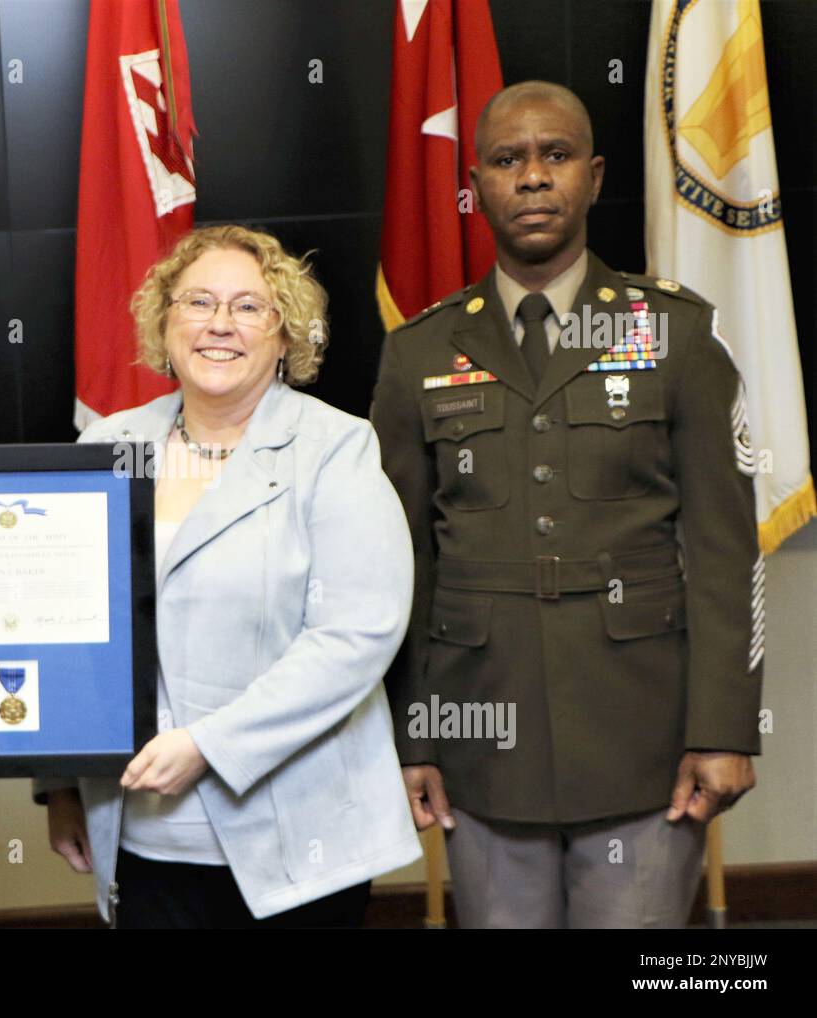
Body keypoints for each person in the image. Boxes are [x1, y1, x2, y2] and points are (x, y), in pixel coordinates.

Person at [370, 81, 761, 928]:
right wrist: (414, 739)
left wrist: (725, 729)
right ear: (475, 184)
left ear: (594, 175)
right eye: (509, 160)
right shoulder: (418, 353)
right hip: (484, 750)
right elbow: (404, 570)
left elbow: (726, 553)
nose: (535, 177)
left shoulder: (675, 335)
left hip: (645, 745)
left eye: (556, 155)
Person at [40, 225, 421, 928]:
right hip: (142, 836)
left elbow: (356, 633)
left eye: (250, 307)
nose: (221, 324)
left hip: (300, 838)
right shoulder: (106, 446)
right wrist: (61, 781)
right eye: (198, 302)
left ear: (286, 336)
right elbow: (63, 624)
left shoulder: (336, 448)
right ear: (165, 322)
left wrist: (211, 746)